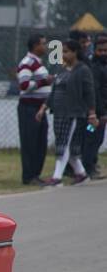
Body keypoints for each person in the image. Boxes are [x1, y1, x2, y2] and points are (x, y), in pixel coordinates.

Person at [39, 37, 96, 186]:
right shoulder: (62, 69)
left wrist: (92, 113)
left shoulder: (83, 70)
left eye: (66, 52)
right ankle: (82, 174)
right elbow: (54, 90)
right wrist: (44, 106)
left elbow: (89, 93)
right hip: (59, 112)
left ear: (75, 52)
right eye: (62, 52)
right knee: (67, 145)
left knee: (64, 144)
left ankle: (57, 177)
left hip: (74, 113)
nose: (63, 55)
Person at [15, 33, 52, 185]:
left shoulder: (38, 62)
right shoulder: (27, 63)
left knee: (40, 142)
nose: (45, 46)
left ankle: (36, 174)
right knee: (30, 142)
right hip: (29, 107)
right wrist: (43, 82)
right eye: (43, 44)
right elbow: (24, 84)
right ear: (35, 46)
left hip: (40, 108)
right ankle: (29, 176)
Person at [83, 33, 107, 179]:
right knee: (91, 136)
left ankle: (91, 163)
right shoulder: (94, 67)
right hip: (96, 113)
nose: (103, 53)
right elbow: (95, 92)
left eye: (105, 50)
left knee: (96, 138)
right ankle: (88, 167)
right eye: (100, 50)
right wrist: (101, 112)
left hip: (102, 111)